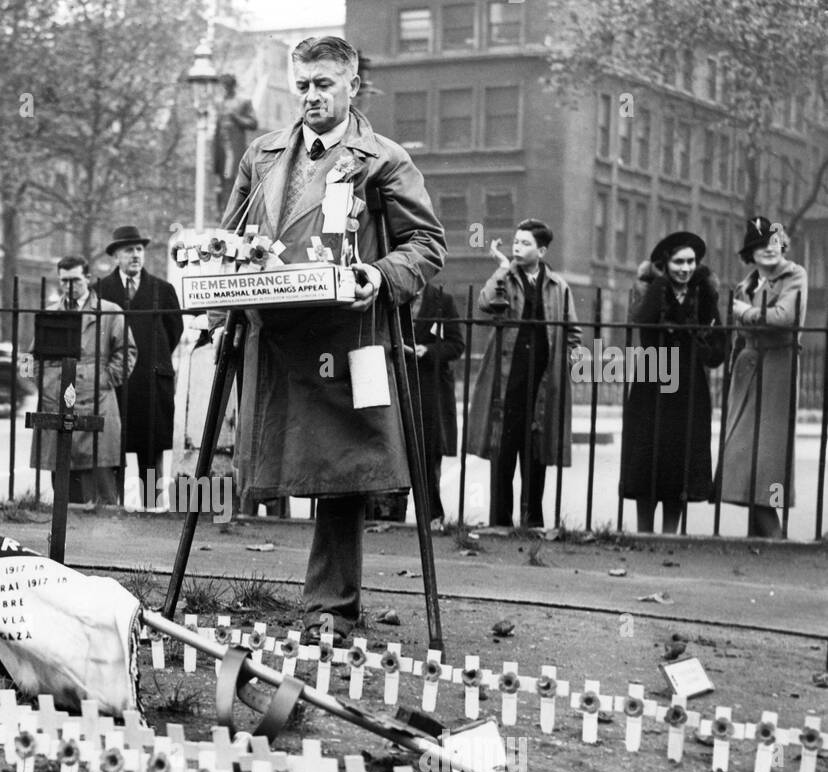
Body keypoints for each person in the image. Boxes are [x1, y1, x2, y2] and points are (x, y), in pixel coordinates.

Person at [214, 35, 446, 643]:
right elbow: (228, 239)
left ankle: (331, 607)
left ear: (352, 86)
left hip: (345, 339)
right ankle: (244, 591)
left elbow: (426, 245)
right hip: (277, 333)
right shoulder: (260, 156)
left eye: (324, 85)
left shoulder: (382, 160)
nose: (312, 96)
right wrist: (224, 283)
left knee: (342, 472)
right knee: (271, 464)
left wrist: (380, 273)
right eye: (304, 86)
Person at [465, 219, 582, 529]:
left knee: (536, 457)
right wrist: (502, 267)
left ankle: (532, 526)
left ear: (541, 250)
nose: (517, 247)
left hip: (543, 384)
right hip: (507, 384)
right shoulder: (506, 278)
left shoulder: (559, 286)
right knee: (502, 454)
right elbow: (485, 303)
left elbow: (573, 333)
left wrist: (563, 366)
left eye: (525, 243)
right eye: (515, 242)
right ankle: (499, 525)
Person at [622, 231, 727, 533]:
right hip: (653, 379)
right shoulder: (653, 289)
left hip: (689, 387)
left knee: (679, 459)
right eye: (678, 261)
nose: (685, 268)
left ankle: (670, 533)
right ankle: (644, 531)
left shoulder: (703, 294)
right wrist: (658, 285)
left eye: (691, 262)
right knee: (648, 454)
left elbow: (717, 345)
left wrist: (702, 346)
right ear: (665, 263)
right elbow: (643, 322)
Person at [717, 216, 808, 538]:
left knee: (771, 460)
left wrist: (746, 313)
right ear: (750, 254)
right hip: (748, 368)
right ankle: (758, 540)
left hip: (777, 369)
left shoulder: (794, 275)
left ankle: (775, 540)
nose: (768, 251)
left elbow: (785, 316)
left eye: (772, 244)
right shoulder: (746, 284)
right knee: (744, 456)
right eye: (759, 247)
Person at [29, 255, 135, 504]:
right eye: (64, 281)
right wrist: (43, 383)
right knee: (64, 487)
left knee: (101, 483)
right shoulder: (50, 314)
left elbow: (127, 351)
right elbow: (28, 359)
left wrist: (106, 378)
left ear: (87, 279)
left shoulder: (110, 312)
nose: (69, 286)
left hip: (98, 401)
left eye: (75, 280)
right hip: (58, 404)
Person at [95, 225, 183, 508]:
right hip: (116, 385)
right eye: (128, 250)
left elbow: (173, 331)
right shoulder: (101, 291)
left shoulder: (163, 290)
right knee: (113, 450)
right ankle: (113, 510)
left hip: (151, 384)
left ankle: (152, 509)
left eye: (139, 250)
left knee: (151, 451)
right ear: (116, 256)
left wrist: (152, 360)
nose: (135, 255)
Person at [369, 282, 464, 527]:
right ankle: (390, 515)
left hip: (428, 386)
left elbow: (456, 345)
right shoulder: (390, 295)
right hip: (392, 380)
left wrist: (427, 350)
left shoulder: (443, 300)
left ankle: (431, 515)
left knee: (427, 453)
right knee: (391, 448)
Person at [211, 74, 258, 211]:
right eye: (223, 87)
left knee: (231, 180)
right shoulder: (219, 103)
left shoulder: (243, 101)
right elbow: (217, 128)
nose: (224, 90)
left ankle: (232, 214)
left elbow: (253, 123)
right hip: (220, 150)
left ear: (232, 86)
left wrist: (236, 118)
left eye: (226, 87)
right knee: (221, 183)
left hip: (234, 149)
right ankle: (221, 215)